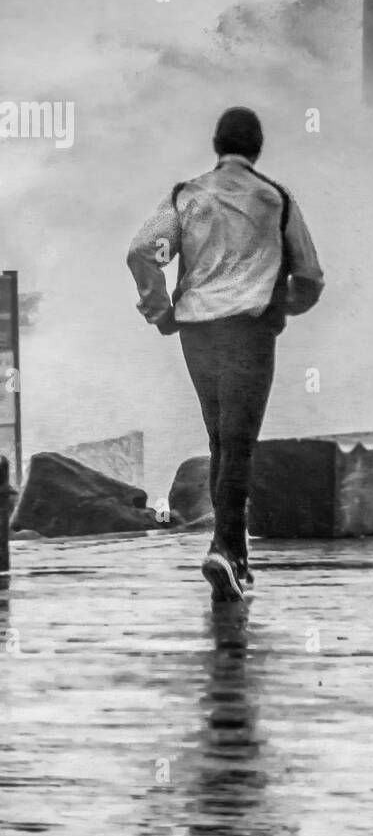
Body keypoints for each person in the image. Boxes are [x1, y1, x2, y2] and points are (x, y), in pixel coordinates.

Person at [127, 107, 324, 602]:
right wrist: (284, 308)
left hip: (197, 331)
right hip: (249, 330)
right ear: (257, 148)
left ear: (217, 145)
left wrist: (162, 311)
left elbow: (141, 251)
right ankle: (224, 549)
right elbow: (310, 276)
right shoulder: (275, 198)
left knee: (220, 439)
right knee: (238, 443)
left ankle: (232, 557)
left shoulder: (186, 195)